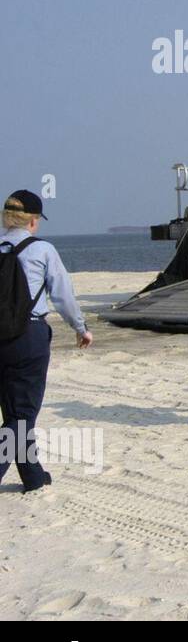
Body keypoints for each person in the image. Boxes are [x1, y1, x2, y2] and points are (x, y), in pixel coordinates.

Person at [0, 190, 92, 493]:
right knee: (23, 415)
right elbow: (62, 294)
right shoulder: (43, 250)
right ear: (33, 221)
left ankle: (33, 477)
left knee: (14, 412)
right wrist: (80, 327)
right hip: (29, 335)